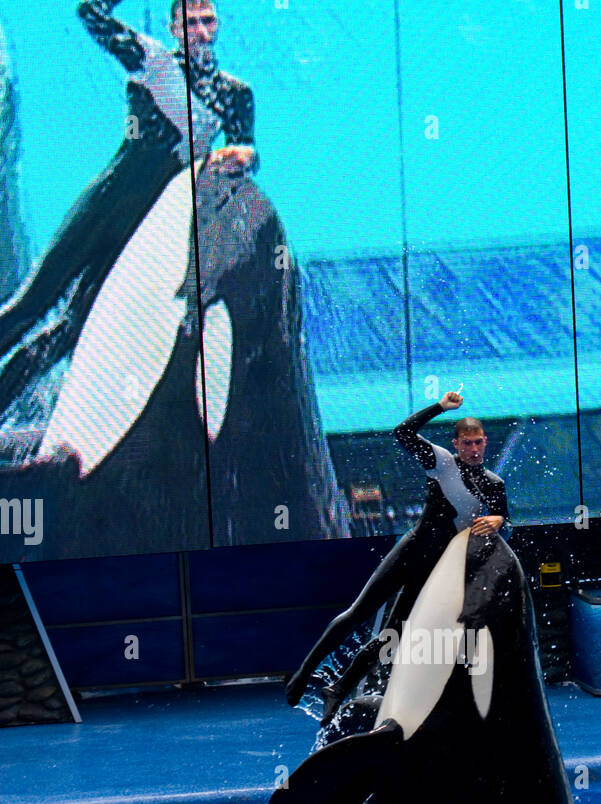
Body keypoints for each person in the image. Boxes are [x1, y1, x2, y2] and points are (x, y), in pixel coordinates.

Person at [0, 1, 255, 424]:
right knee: (32, 301)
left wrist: (242, 156)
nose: (200, 32)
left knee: (69, 331)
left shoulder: (234, 93)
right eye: (190, 23)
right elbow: (91, 14)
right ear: (175, 27)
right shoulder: (149, 58)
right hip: (107, 202)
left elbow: (246, 148)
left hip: (150, 225)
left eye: (207, 21)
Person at [284, 391, 509, 717]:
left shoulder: (494, 484)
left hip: (437, 567)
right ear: (456, 444)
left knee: (395, 634)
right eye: (467, 443)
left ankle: (339, 688)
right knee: (358, 612)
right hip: (411, 549)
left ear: (485, 443)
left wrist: (500, 519)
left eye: (479, 443)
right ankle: (304, 673)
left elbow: (505, 520)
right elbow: (402, 433)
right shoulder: (441, 461)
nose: (473, 449)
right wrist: (439, 407)